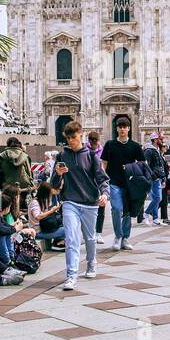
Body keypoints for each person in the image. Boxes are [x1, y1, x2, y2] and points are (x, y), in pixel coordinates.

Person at [48, 120, 110, 290]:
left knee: (90, 238)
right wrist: (58, 175)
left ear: (81, 135)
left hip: (90, 203)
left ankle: (91, 263)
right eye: (67, 138)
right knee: (72, 239)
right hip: (70, 202)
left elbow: (102, 179)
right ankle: (71, 276)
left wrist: (105, 194)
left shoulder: (91, 156)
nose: (70, 141)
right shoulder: (62, 157)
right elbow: (53, 184)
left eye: (73, 137)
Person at [100, 118, 145, 250]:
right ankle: (118, 236)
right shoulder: (110, 144)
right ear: (117, 128)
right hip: (113, 182)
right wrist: (103, 179)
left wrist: (132, 168)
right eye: (120, 126)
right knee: (116, 209)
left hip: (130, 184)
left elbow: (143, 164)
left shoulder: (135, 146)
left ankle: (125, 238)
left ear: (129, 128)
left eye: (125, 126)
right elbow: (104, 163)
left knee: (126, 211)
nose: (122, 129)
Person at [143, 133, 170, 226]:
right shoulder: (149, 151)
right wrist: (153, 176)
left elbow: (160, 166)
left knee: (156, 198)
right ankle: (146, 213)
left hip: (158, 177)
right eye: (160, 139)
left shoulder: (156, 150)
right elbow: (146, 165)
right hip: (153, 178)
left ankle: (155, 219)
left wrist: (163, 177)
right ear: (155, 140)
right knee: (158, 198)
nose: (162, 141)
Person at [27, 181, 65, 249]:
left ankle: (58, 242)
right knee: (66, 230)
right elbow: (38, 216)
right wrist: (51, 211)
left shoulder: (44, 200)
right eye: (49, 193)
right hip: (37, 232)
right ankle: (57, 244)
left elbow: (56, 191)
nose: (50, 195)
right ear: (45, 193)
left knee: (65, 224)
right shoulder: (34, 202)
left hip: (46, 229)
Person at [86, 130, 106, 245]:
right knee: (89, 209)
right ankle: (92, 232)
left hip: (98, 181)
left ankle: (98, 233)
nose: (94, 143)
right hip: (87, 183)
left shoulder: (101, 151)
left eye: (95, 141)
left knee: (100, 208)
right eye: (92, 141)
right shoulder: (84, 150)